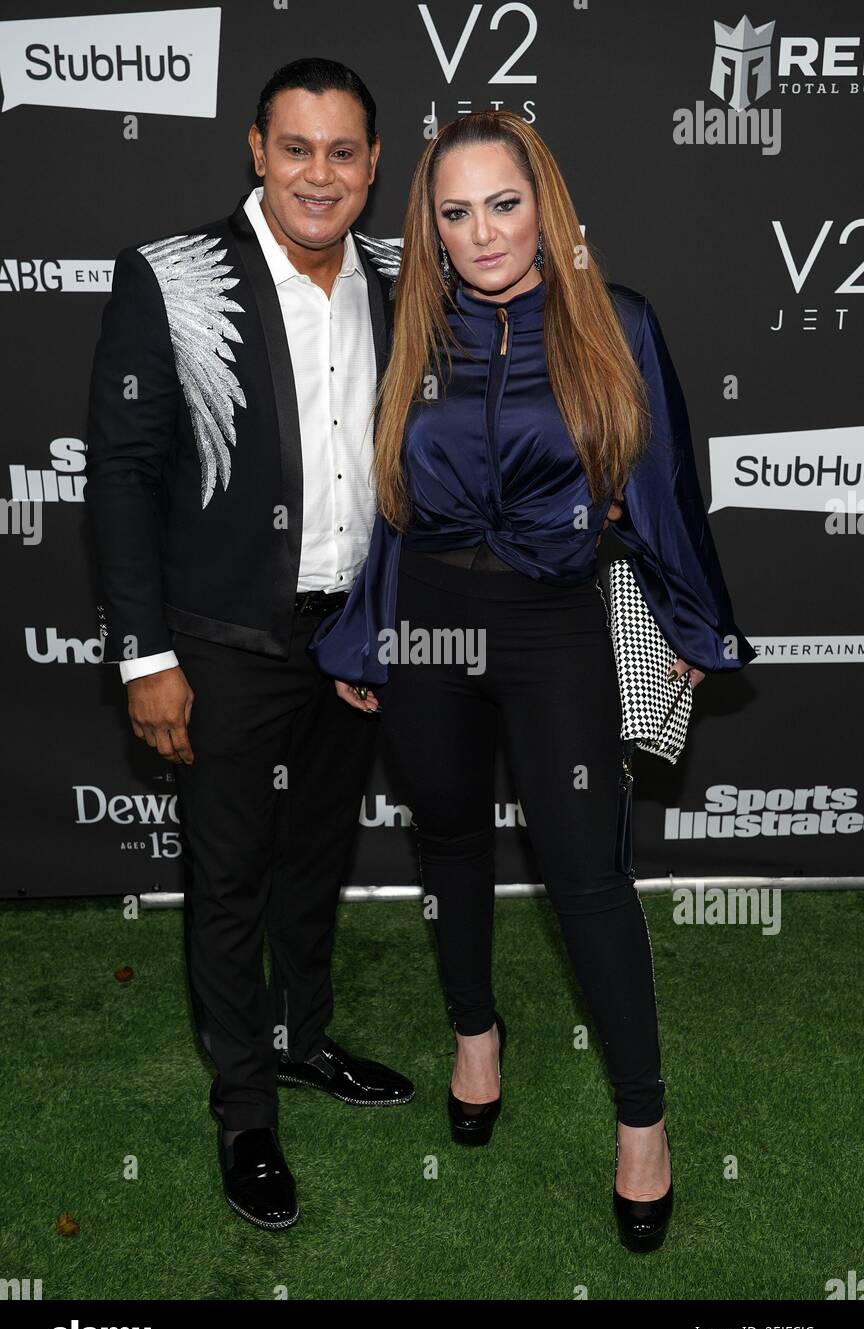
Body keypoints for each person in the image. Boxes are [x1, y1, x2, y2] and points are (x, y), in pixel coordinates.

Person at [309, 109, 757, 1252]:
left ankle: (642, 1121)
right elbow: (390, 506)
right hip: (430, 626)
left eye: (503, 204)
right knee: (448, 839)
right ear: (432, 228)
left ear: (544, 204)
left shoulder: (617, 321)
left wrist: (693, 620)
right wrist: (365, 636)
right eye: (456, 214)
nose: (484, 234)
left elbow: (663, 488)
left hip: (554, 624)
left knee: (587, 874)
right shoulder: (411, 326)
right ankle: (475, 1034)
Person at [86, 58, 415, 1235]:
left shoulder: (401, 278)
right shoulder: (172, 277)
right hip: (222, 642)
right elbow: (122, 480)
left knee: (314, 858)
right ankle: (244, 1112)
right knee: (228, 879)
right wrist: (145, 657)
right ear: (256, 151)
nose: (318, 174)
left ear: (374, 166)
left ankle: (300, 1039)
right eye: (296, 148)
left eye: (342, 152)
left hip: (350, 638)